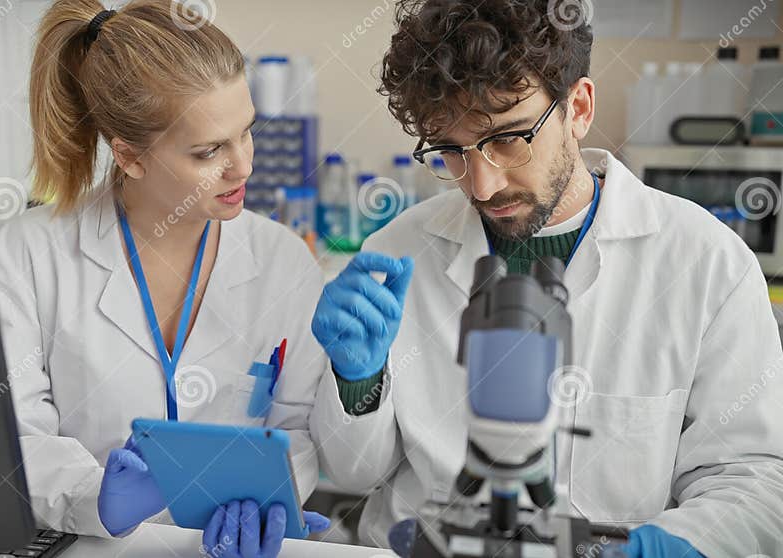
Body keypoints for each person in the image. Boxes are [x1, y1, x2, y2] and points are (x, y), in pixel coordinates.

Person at [309, 1, 783, 557]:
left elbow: (752, 481)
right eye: (450, 151)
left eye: (508, 138)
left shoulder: (706, 262)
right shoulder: (396, 252)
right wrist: (355, 382)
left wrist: (655, 550)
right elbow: (353, 474)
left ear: (577, 108)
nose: (482, 185)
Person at [0, 1, 329, 553]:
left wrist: (271, 498)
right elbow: (14, 437)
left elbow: (297, 428)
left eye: (247, 131)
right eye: (209, 150)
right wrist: (94, 496)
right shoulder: (26, 254)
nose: (243, 165)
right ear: (130, 156)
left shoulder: (284, 261)